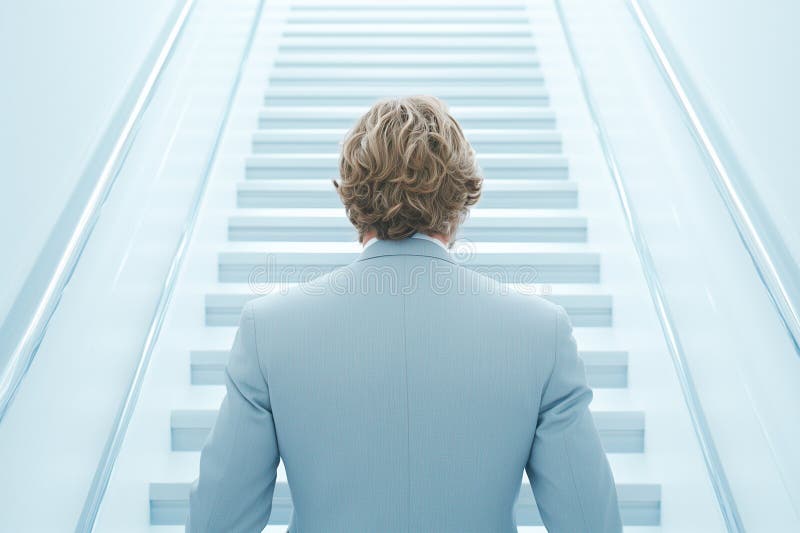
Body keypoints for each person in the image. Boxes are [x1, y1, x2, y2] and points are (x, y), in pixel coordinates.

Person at [186, 96, 622, 532]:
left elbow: (217, 522)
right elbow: (590, 523)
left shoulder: (269, 329)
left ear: (354, 197)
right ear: (459, 198)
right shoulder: (541, 333)